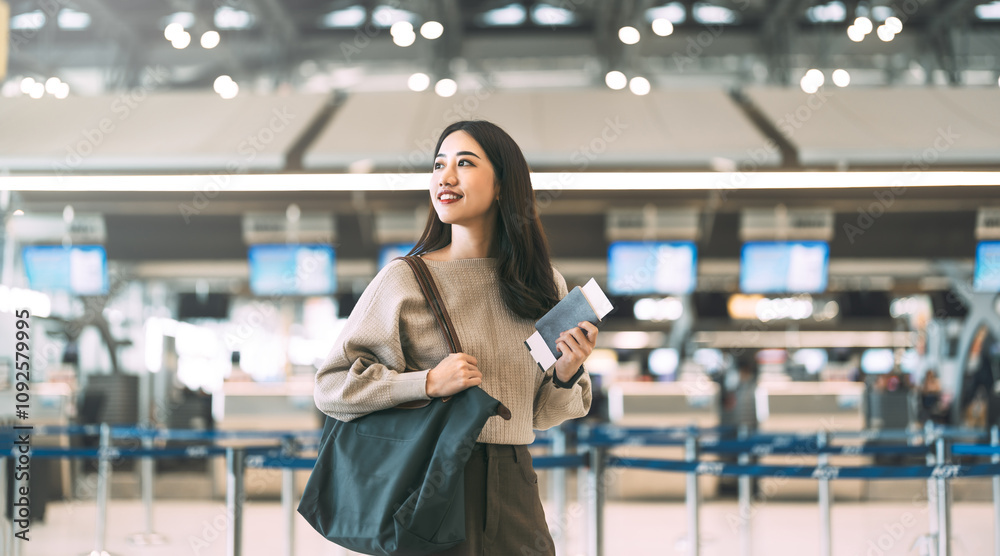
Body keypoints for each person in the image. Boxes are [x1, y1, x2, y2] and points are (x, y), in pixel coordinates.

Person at [313, 120, 596, 555]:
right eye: (439, 164)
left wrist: (564, 373)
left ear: (503, 185)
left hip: (516, 483)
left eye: (465, 163)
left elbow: (537, 415)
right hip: (432, 482)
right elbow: (330, 386)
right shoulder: (404, 279)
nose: (445, 177)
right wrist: (426, 382)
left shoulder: (543, 285)